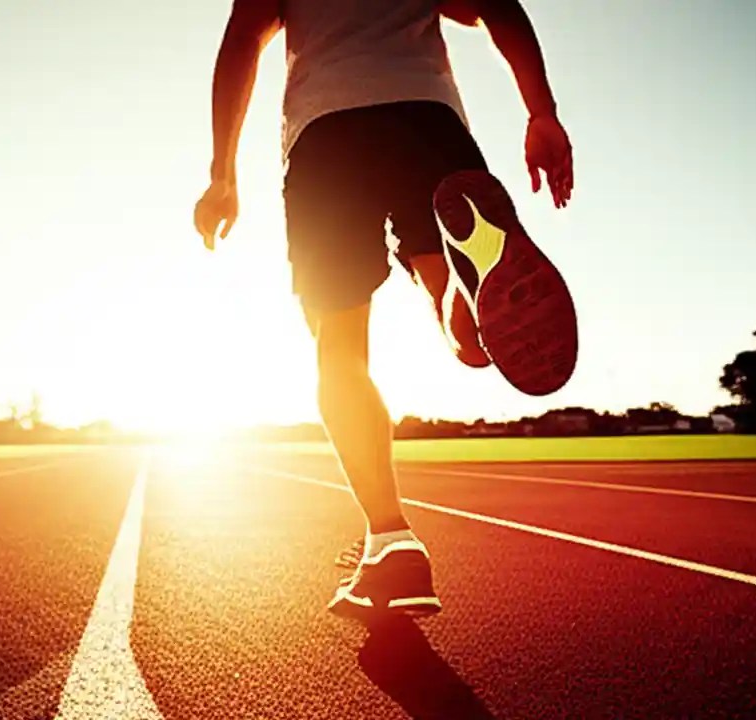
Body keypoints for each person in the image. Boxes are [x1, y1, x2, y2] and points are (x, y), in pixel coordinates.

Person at [193, 0, 577, 619]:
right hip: (428, 124)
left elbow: (243, 38)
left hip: (328, 135)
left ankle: (391, 538)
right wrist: (542, 113)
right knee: (437, 273)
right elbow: (494, 8)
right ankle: (460, 300)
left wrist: (222, 173)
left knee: (338, 351)